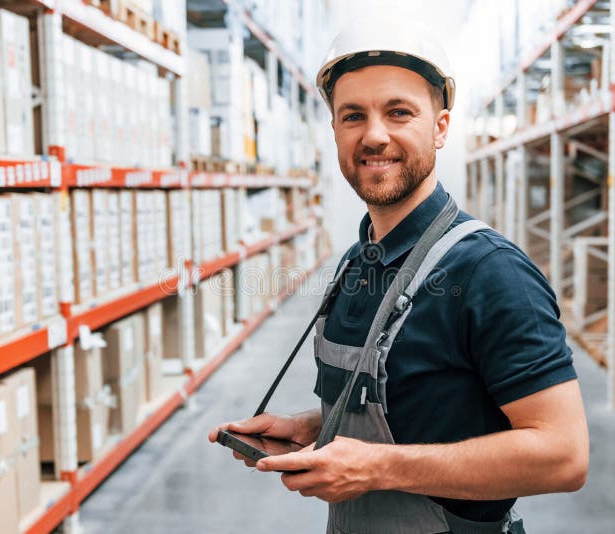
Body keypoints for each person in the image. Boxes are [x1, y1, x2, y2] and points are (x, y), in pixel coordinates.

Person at [210, 17, 589, 534]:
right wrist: (310, 427)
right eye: (352, 116)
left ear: (440, 128)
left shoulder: (489, 272)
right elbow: (424, 406)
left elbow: (564, 455)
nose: (374, 135)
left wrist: (377, 469)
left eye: (399, 112)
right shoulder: (355, 263)